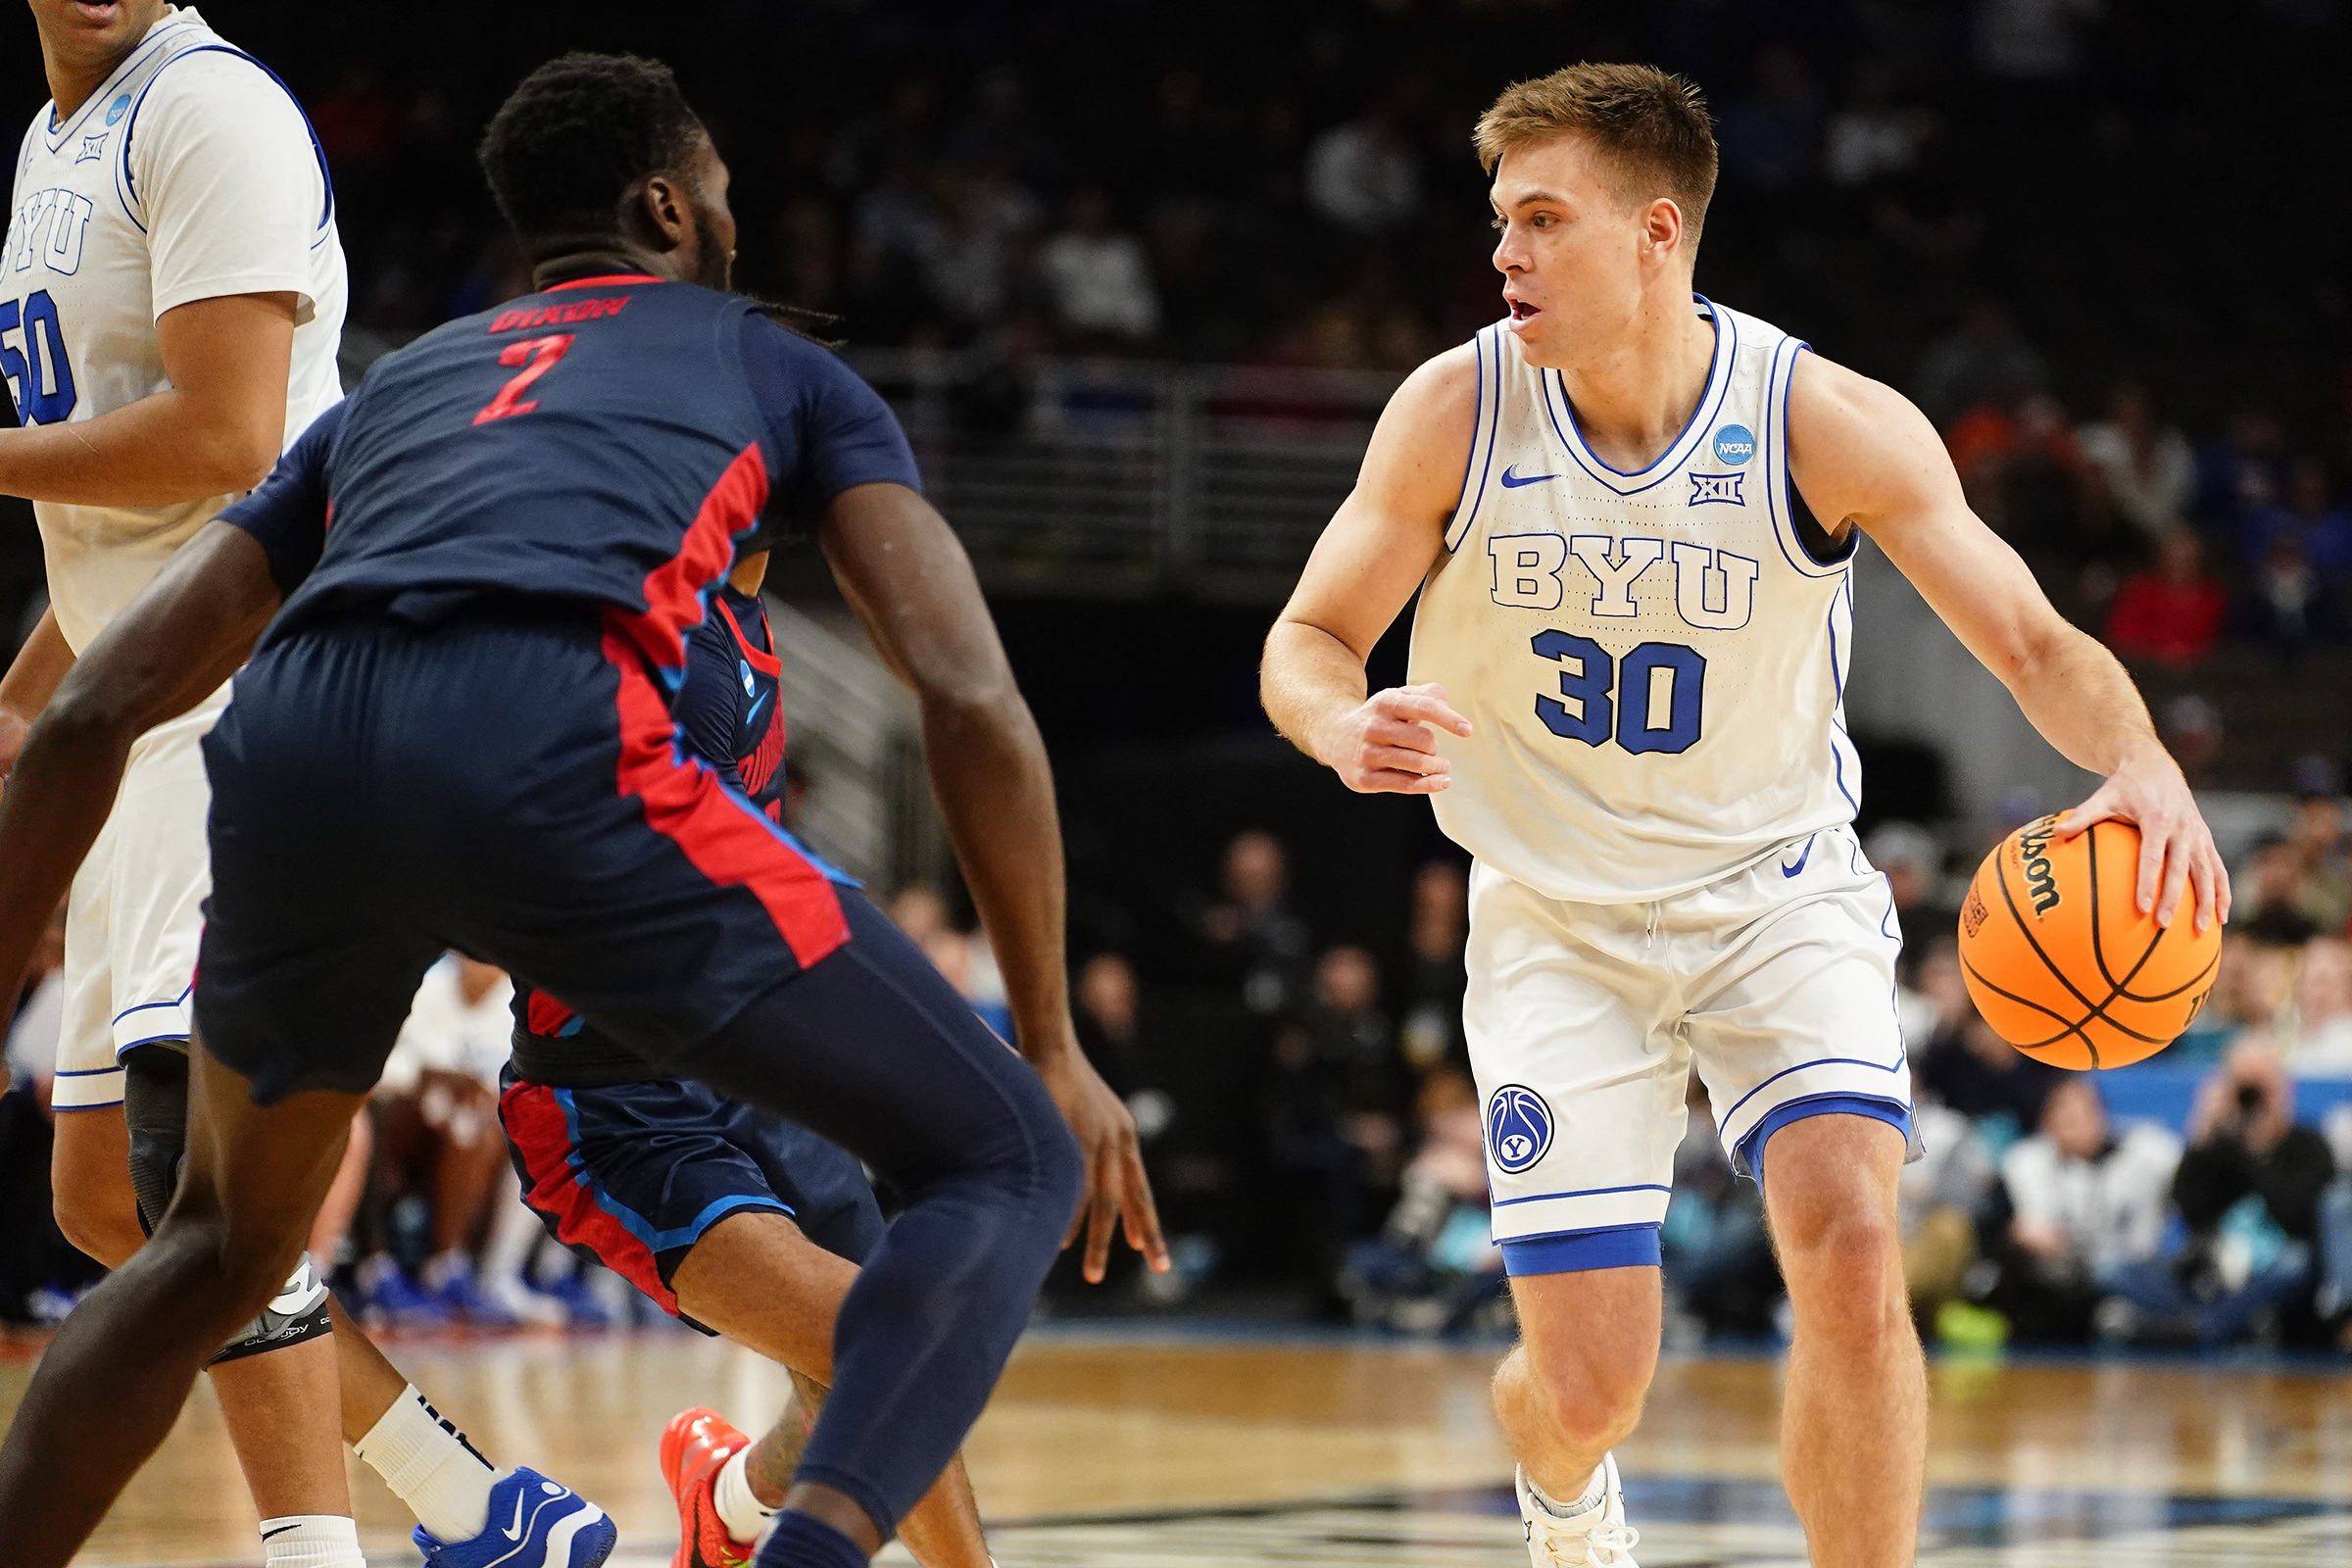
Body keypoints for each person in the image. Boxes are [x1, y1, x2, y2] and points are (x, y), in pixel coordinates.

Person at [0, 50, 1161, 1568]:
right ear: (672, 203)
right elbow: (969, 697)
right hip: (577, 878)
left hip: (301, 744)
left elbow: (94, 699)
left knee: (212, 1249)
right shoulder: (771, 367)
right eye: (728, 193)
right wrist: (1058, 1047)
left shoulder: (406, 392)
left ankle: (730, 1510)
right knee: (1012, 1161)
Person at [1259, 62, 2228, 1568]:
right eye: (1500, 220)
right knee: (1590, 1387)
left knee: (1850, 1245)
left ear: (1657, 233)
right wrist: (1336, 720)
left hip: (1778, 894)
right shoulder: (1453, 410)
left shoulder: (1816, 420)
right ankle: (1566, 1494)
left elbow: (2036, 643)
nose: (1503, 254)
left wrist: (2142, 759)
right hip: (1556, 921)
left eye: (1539, 220)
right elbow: (1308, 637)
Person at [0, 6, 612, 1566]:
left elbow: (229, 433)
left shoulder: (205, 111)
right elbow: (123, 537)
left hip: (253, 695)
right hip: (136, 704)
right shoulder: (50, 137)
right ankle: (490, 1508)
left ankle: (312, 1554)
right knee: (107, 1208)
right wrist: (27, 698)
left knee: (192, 1179)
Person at [500, 542, 995, 1568]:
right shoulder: (641, 626)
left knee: (868, 1367)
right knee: (889, 1347)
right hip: (621, 1101)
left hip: (754, 1075)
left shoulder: (741, 617)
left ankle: (726, 1502)